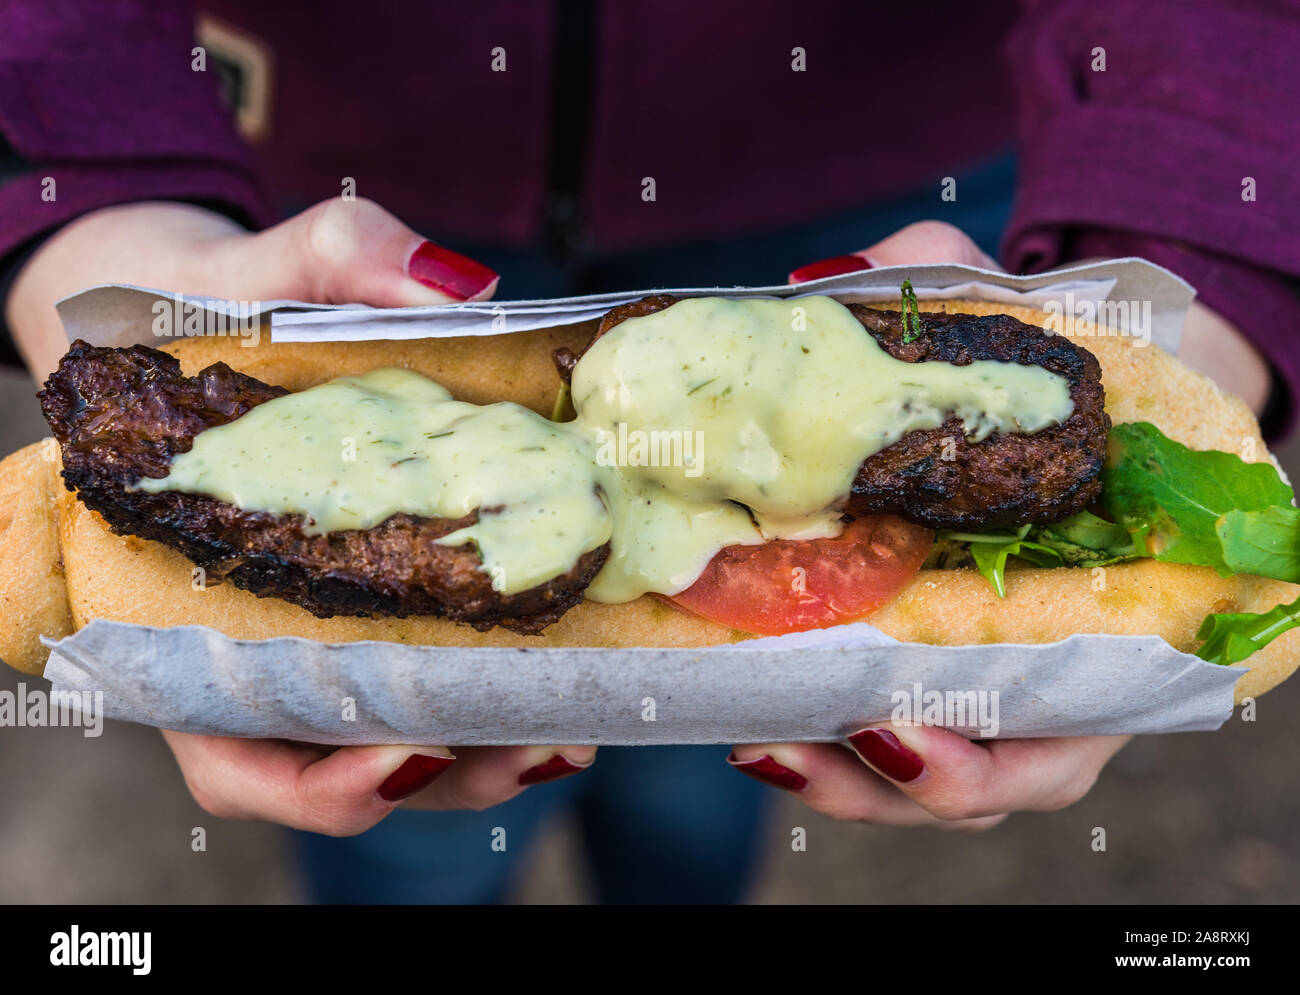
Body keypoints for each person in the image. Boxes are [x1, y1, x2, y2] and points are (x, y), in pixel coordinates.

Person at [1, 2, 1292, 903]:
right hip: (350, 181)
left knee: (712, 782)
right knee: (410, 824)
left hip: (868, 169)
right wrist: (85, 198)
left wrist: (1195, 248)